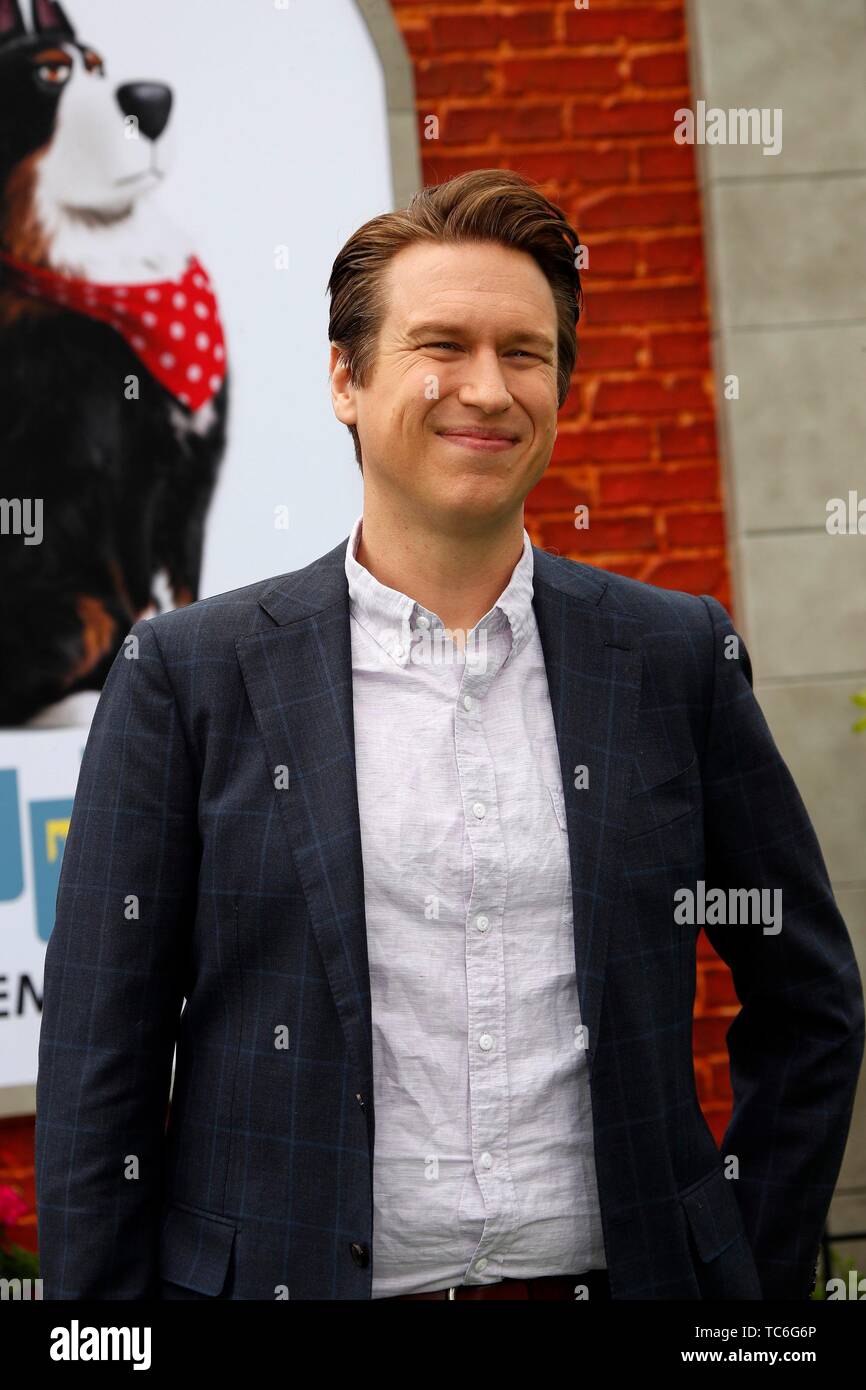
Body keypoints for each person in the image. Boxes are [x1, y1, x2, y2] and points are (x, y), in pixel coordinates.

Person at [35, 169, 864, 1301]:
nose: (487, 387)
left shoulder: (673, 660)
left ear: (560, 386)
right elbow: (97, 1068)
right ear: (345, 377)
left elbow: (808, 999)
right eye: (441, 344)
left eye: (524, 352)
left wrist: (742, 1276)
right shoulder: (188, 678)